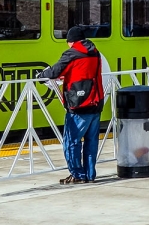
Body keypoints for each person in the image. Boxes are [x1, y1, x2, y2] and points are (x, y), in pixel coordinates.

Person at [41, 25, 105, 184]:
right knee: (91, 142)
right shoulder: (95, 53)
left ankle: (77, 174)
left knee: (71, 141)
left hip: (79, 105)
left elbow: (55, 72)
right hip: (96, 102)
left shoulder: (72, 53)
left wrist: (42, 75)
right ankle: (90, 174)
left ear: (71, 41)